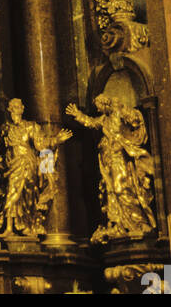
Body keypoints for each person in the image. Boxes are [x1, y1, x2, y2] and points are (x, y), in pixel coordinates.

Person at [67, 95, 156, 242]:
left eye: (99, 106)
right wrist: (77, 114)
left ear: (105, 104)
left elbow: (136, 121)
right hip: (107, 159)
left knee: (122, 188)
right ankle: (119, 224)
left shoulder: (119, 113)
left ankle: (139, 222)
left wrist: (124, 110)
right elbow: (91, 122)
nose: (98, 109)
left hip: (119, 157)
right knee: (111, 192)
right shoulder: (104, 119)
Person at [0, 98, 71, 237]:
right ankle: (9, 227)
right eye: (12, 107)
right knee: (12, 193)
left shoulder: (31, 126)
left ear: (22, 109)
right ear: (9, 110)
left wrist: (57, 139)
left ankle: (24, 224)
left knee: (26, 197)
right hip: (11, 165)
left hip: (27, 164)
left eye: (17, 106)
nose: (14, 109)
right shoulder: (5, 128)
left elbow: (41, 145)